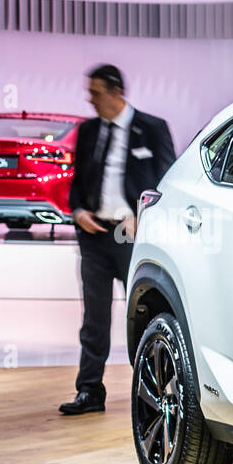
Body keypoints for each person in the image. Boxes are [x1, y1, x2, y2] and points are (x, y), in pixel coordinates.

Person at [60, 64, 176, 415]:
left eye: (96, 93)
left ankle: (159, 393)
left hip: (130, 237)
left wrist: (143, 218)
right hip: (94, 235)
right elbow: (77, 184)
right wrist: (79, 211)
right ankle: (90, 390)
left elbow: (165, 182)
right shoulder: (88, 131)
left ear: (117, 92)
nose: (90, 99)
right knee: (94, 319)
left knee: (145, 313)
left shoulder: (152, 129)